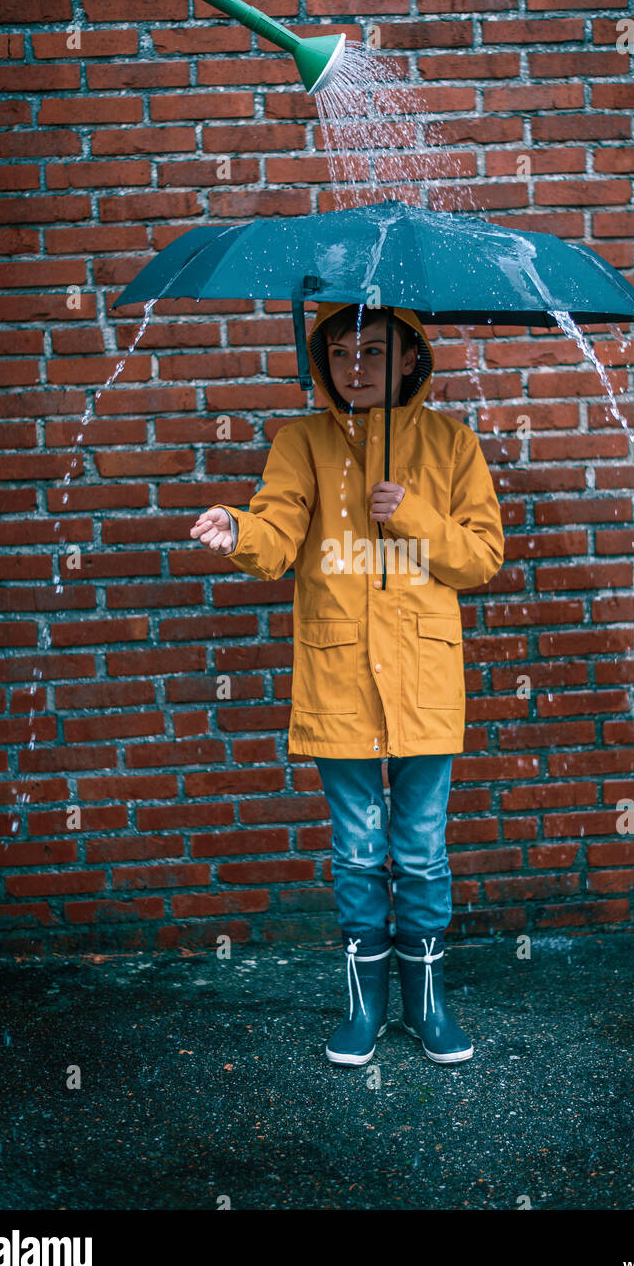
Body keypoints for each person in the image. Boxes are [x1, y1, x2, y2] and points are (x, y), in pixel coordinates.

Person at [191, 303, 504, 1067]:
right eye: (336, 352)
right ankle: (364, 1008)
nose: (352, 365)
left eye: (370, 350)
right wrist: (240, 530)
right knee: (359, 853)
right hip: (338, 682)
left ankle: (428, 1005)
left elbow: (481, 557)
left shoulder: (451, 443)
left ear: (409, 359)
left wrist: (415, 515)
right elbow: (277, 530)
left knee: (422, 852)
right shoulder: (301, 443)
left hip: (425, 681)